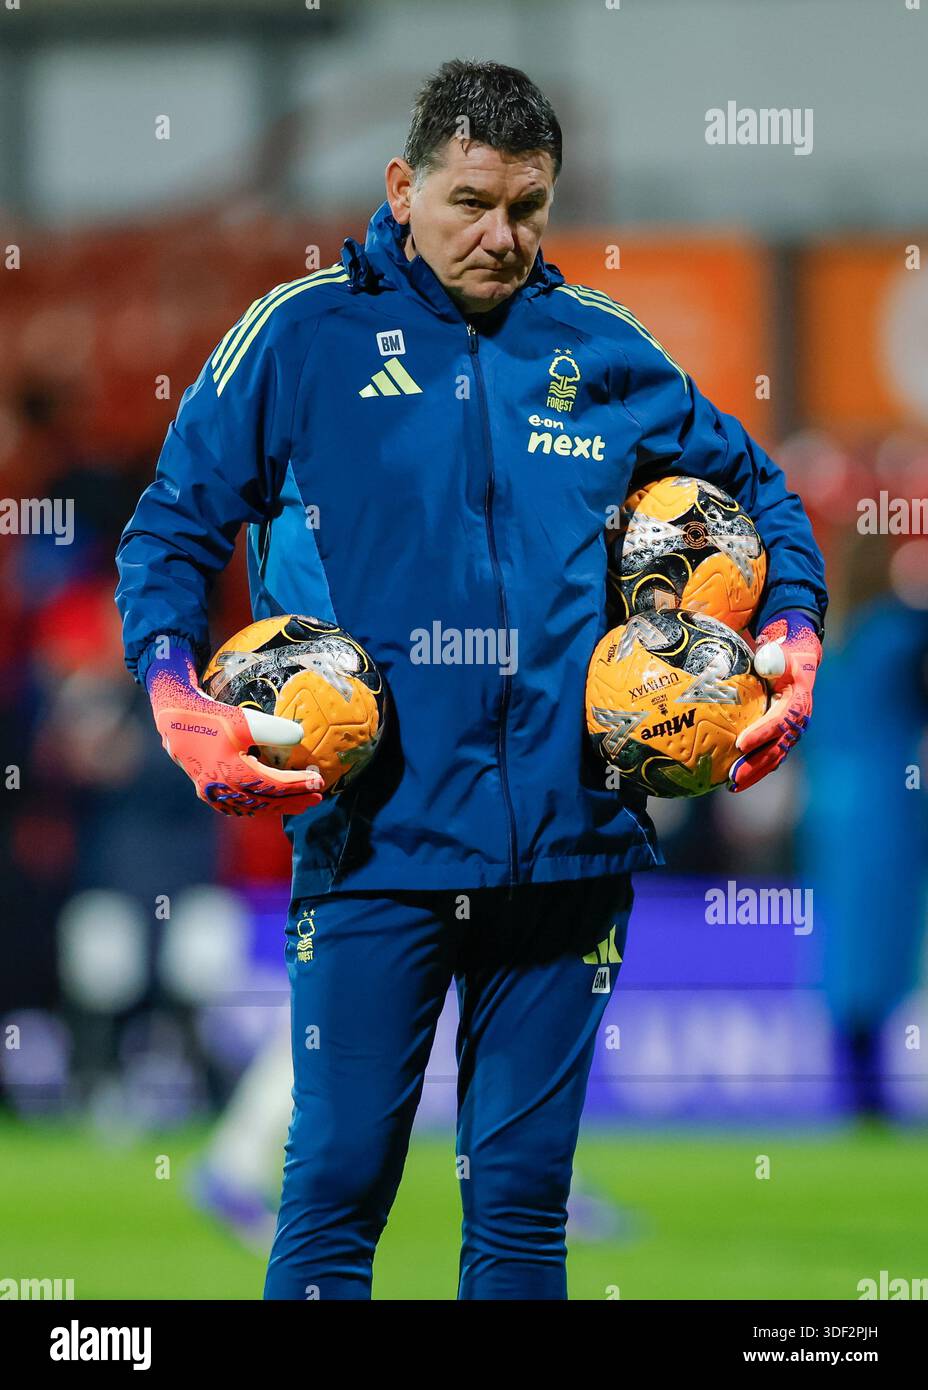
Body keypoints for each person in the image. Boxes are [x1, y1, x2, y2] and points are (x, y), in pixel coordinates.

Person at [115, 59, 827, 1300]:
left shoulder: (603, 350)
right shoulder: (299, 336)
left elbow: (762, 494)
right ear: (402, 187)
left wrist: (795, 637)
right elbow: (171, 525)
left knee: (520, 1220)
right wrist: (175, 691)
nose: (501, 236)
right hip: (373, 845)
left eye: (529, 207)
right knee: (332, 1204)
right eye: (470, 202)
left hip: (571, 848)